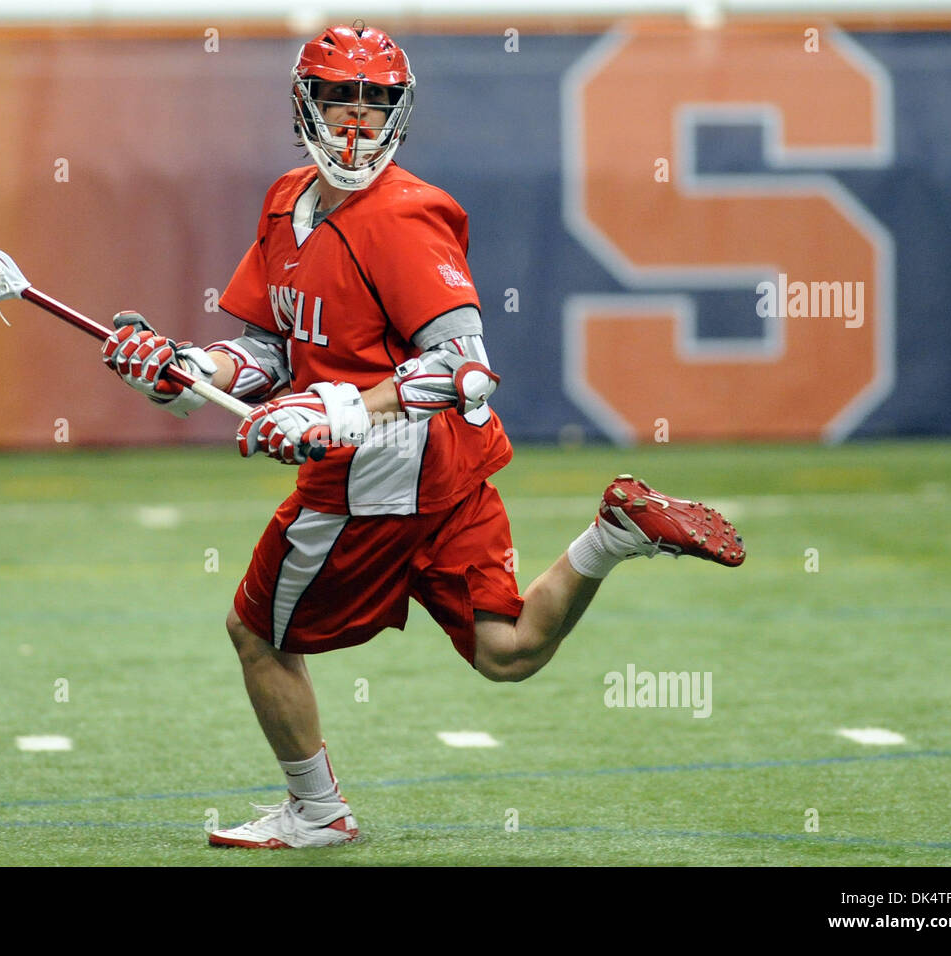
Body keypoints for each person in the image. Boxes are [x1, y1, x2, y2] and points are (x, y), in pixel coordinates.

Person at [101, 24, 744, 849]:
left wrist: (333, 413)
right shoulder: (286, 202)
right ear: (306, 104)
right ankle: (612, 535)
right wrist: (187, 366)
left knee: (256, 634)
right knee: (506, 651)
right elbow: (268, 350)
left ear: (399, 113)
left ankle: (317, 812)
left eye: (375, 103)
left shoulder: (401, 215)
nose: (357, 124)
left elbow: (465, 369)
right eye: (341, 99)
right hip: (450, 475)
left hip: (379, 476)